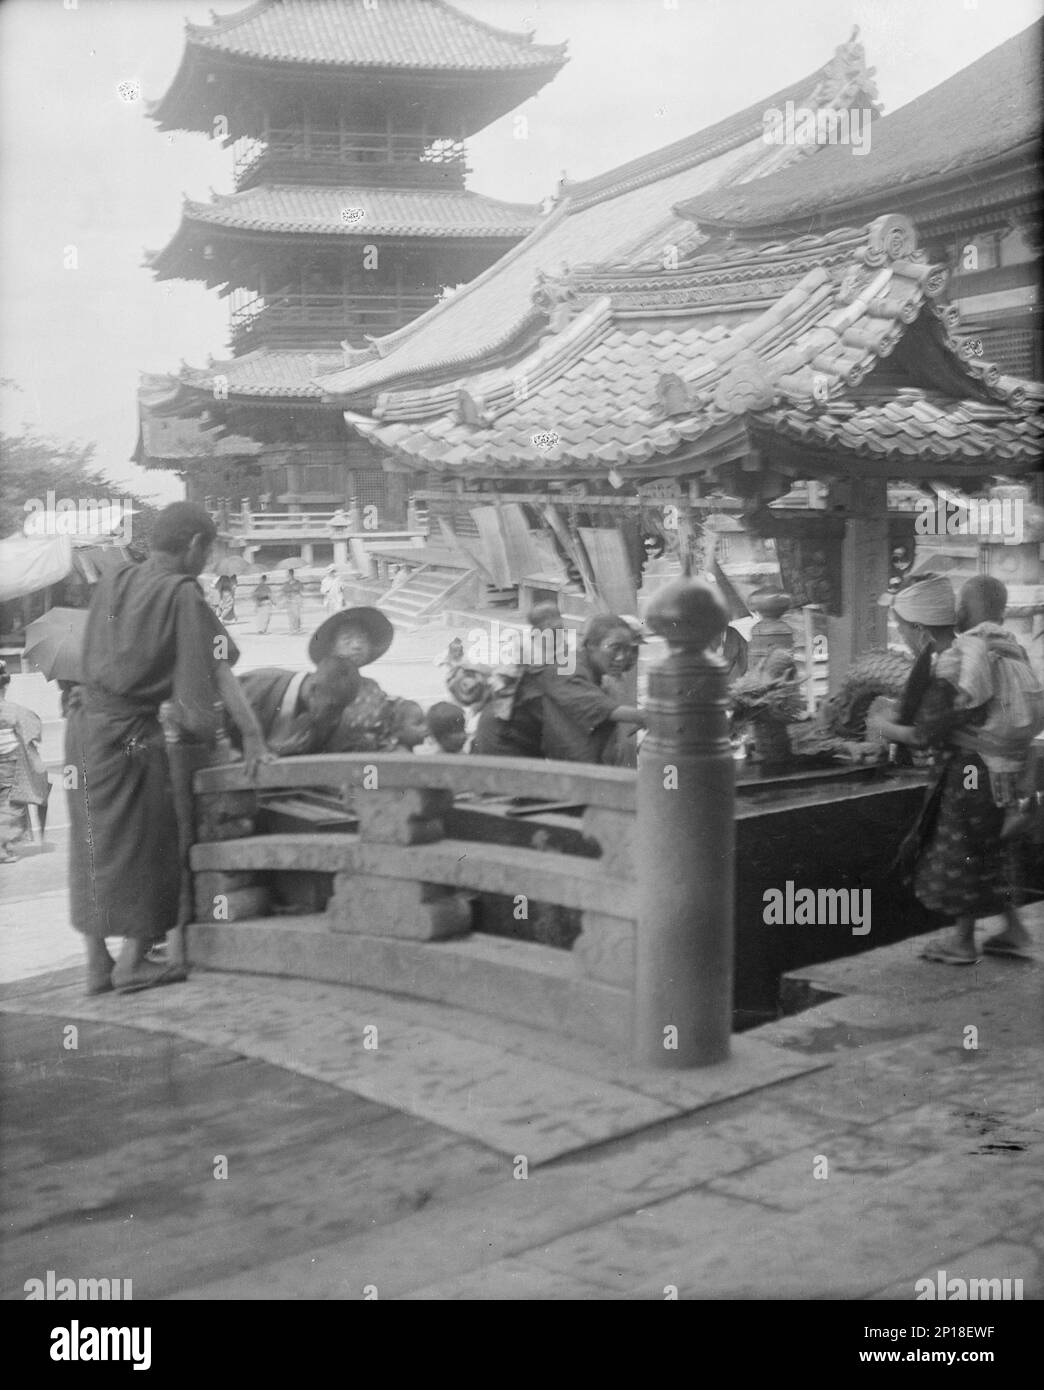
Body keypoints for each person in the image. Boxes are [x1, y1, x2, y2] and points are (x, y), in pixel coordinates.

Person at [65, 502, 271, 997]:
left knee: (94, 842)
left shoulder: (115, 579)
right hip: (130, 735)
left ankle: (97, 962)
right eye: (209, 549)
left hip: (83, 726)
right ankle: (134, 961)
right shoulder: (182, 593)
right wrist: (254, 737)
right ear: (197, 545)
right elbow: (217, 671)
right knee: (147, 842)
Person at [868, 573, 1031, 964]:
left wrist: (882, 725)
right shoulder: (996, 650)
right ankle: (1013, 927)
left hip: (969, 773)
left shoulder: (951, 668)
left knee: (962, 852)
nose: (903, 636)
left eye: (903, 628)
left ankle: (961, 942)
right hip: (1000, 769)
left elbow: (927, 734)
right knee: (990, 849)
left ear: (921, 630)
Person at [473, 614, 646, 763]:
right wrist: (648, 717)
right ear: (591, 645)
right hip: (503, 738)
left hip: (528, 739)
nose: (623, 657)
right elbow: (598, 708)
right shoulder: (567, 668)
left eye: (628, 650)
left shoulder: (590, 672)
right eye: (615, 648)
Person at [309, 608, 401, 752]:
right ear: (332, 647)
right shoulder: (315, 687)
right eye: (347, 639)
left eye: (362, 638)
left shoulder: (372, 687)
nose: (357, 645)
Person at [238, 656, 361, 756]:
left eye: (342, 708)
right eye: (332, 708)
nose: (336, 719)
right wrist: (274, 751)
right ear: (313, 689)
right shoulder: (253, 690)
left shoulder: (333, 710)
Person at [0, 661, 46, 861]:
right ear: (4, 685)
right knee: (10, 804)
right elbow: (34, 728)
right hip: (9, 759)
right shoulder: (12, 710)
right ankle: (1, 846)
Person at [283, 569, 304, 634]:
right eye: (287, 575)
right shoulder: (286, 583)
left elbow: (301, 589)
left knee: (296, 615)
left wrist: (294, 591)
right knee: (290, 615)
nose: (288, 576)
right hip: (289, 600)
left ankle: (297, 628)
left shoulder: (298, 582)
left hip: (296, 599)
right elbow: (284, 591)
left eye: (289, 574)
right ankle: (292, 629)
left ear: (292, 574)